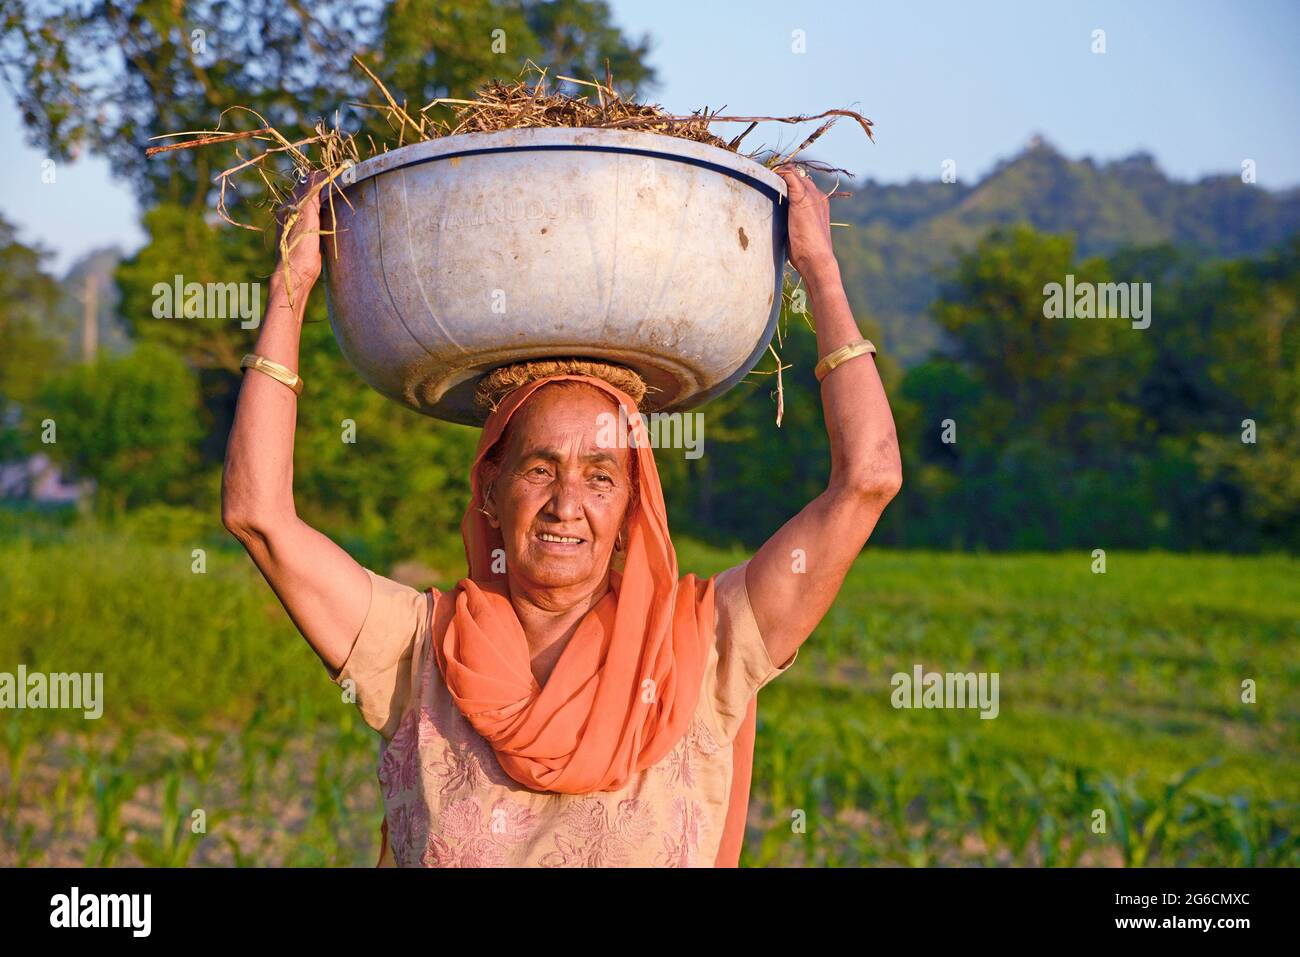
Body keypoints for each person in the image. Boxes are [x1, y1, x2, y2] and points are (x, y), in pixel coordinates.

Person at [221, 162, 902, 867]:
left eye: (601, 475)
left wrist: (819, 274)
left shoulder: (705, 649)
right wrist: (290, 291)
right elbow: (257, 514)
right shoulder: (415, 653)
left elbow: (870, 479)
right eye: (540, 467)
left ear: (634, 502)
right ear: (490, 487)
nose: (566, 503)